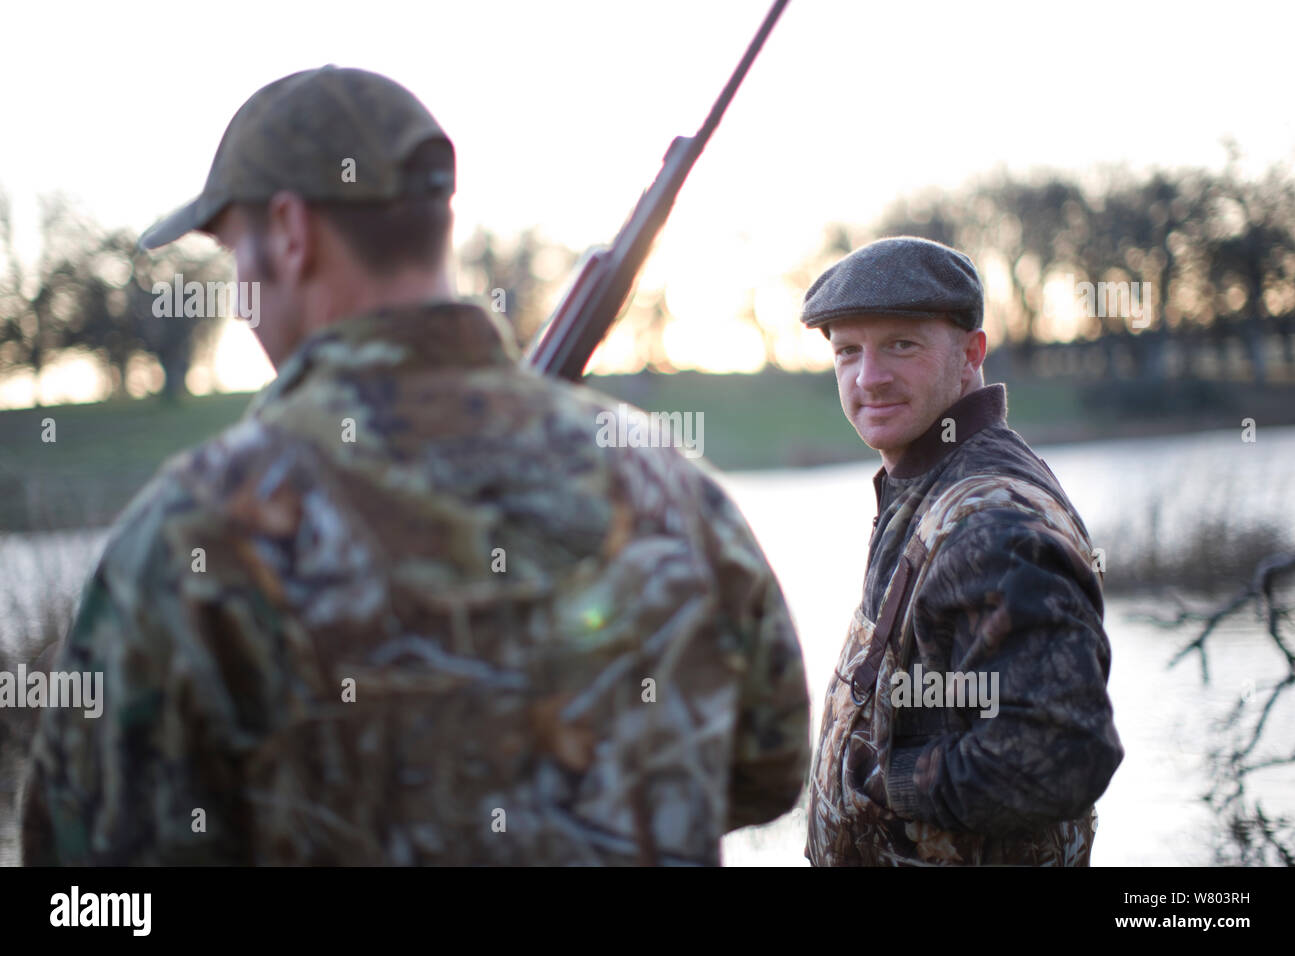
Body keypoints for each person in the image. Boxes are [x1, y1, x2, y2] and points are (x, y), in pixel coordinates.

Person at [20, 66, 810, 866]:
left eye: (233, 250)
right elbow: (768, 768)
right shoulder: (667, 482)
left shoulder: (200, 527)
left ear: (291, 232)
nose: (238, 291)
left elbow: (90, 882)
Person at [801, 236, 1123, 866]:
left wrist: (888, 782)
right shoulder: (928, 483)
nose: (869, 377)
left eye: (901, 345)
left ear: (972, 352)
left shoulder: (990, 522)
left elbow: (1062, 757)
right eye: (848, 352)